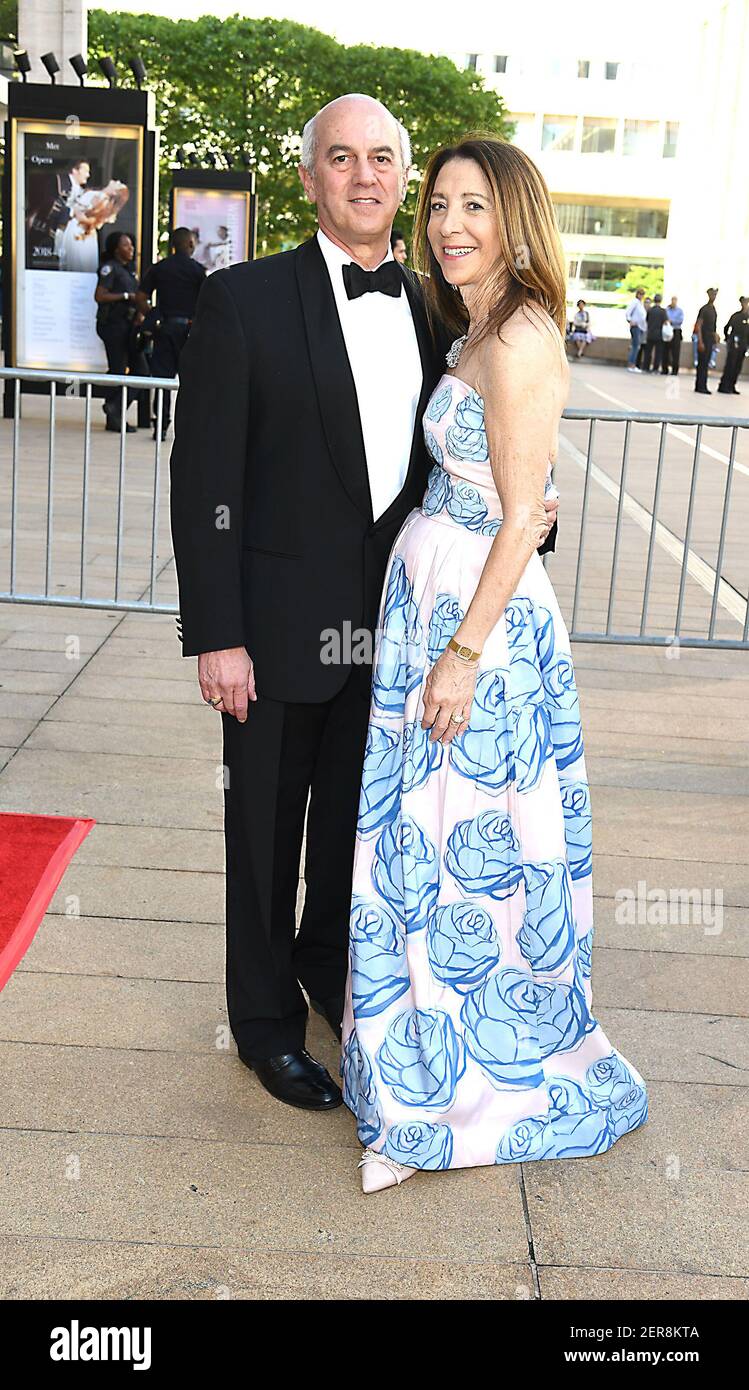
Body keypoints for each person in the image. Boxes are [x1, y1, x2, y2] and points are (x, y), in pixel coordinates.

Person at [169, 93, 562, 1115]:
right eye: (339, 159)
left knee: (360, 834)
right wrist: (217, 632)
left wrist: (528, 516)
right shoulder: (243, 301)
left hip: (397, 640)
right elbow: (204, 479)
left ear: (401, 179)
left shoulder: (447, 309)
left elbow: (469, 462)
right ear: (308, 179)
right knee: (262, 836)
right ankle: (262, 1026)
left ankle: (330, 974)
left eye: (383, 159)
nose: (364, 177)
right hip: (272, 634)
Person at [342, 135, 648, 1193]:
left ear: (516, 219)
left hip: (481, 625)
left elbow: (522, 518)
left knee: (473, 838)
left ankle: (479, 1054)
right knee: (424, 836)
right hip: (433, 601)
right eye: (437, 206)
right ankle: (420, 1036)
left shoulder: (517, 334)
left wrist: (462, 654)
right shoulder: (471, 322)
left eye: (472, 206)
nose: (447, 224)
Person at [136, 226, 206, 439]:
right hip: (190, 332)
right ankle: (189, 428)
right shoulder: (197, 270)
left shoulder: (160, 268)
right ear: (190, 244)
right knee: (191, 381)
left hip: (164, 328)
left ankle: (161, 425)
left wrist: (153, 314)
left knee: (161, 380)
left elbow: (140, 297)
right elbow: (207, 302)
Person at [94, 231, 146, 433]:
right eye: (126, 245)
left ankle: (114, 407)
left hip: (127, 327)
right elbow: (99, 295)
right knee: (117, 370)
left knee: (141, 371)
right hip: (113, 327)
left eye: (132, 245)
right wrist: (126, 296)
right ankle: (114, 414)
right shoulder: (110, 269)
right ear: (116, 249)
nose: (131, 249)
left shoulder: (129, 271)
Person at [717, 296, 749, 395]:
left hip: (743, 345)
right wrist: (728, 339)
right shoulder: (736, 316)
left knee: (738, 367)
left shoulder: (748, 317)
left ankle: (732, 385)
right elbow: (727, 327)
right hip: (734, 344)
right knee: (730, 365)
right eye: (744, 302)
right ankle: (724, 386)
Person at [694, 288, 719, 394]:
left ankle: (702, 385)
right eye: (712, 294)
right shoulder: (704, 309)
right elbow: (698, 325)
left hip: (709, 339)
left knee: (706, 363)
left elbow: (712, 326)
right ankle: (700, 386)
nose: (713, 296)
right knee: (702, 363)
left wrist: (715, 335)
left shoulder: (713, 309)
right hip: (704, 338)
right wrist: (700, 341)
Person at [641, 292, 666, 372]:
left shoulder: (650, 310)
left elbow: (647, 320)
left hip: (650, 333)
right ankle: (655, 368)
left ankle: (646, 367)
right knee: (658, 353)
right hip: (659, 334)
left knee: (648, 352)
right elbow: (665, 321)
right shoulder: (663, 311)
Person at [661, 295, 683, 375]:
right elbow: (663, 318)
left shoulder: (679, 311)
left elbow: (680, 320)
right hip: (667, 330)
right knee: (665, 351)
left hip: (675, 330)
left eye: (675, 300)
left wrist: (671, 321)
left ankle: (674, 370)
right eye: (672, 300)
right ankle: (664, 369)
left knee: (675, 352)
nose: (673, 302)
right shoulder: (667, 310)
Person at [625, 287, 646, 371]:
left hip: (640, 327)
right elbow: (628, 312)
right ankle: (631, 364)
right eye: (640, 294)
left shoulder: (640, 303)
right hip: (636, 326)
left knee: (636, 346)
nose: (641, 296)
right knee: (635, 346)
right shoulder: (635, 302)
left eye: (642, 294)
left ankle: (633, 364)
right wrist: (630, 320)